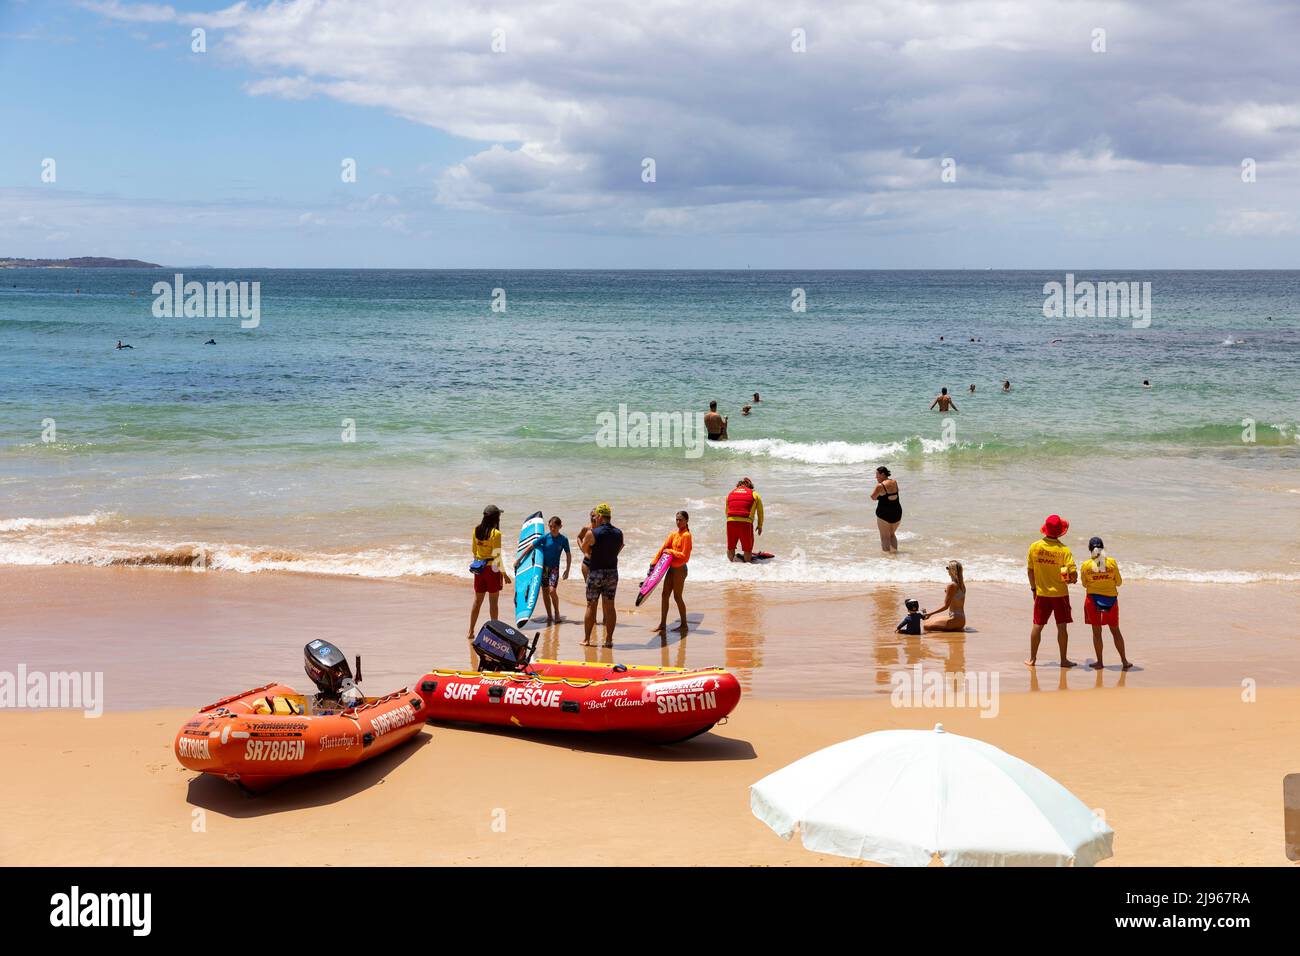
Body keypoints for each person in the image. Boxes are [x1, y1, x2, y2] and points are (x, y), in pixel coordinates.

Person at [1026, 514, 1077, 667]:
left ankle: (1032, 659)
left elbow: (1030, 571)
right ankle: (1063, 660)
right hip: (1060, 593)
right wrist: (1072, 579)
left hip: (1042, 593)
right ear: (1060, 531)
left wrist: (1034, 589)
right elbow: (1072, 574)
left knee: (1037, 625)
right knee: (1062, 627)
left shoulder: (1035, 546)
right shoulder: (1064, 550)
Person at [1081, 536, 1131, 669]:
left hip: (1092, 601)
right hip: (1111, 601)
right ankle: (1124, 661)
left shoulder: (1086, 565)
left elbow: (1085, 584)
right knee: (1115, 631)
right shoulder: (1112, 562)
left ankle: (1100, 662)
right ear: (1103, 548)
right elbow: (1119, 582)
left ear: (1089, 549)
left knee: (1097, 633)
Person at [582, 503, 623, 648]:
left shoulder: (593, 533)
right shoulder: (619, 533)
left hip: (596, 572)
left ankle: (587, 639)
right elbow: (619, 548)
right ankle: (609, 640)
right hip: (612, 572)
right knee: (610, 607)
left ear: (599, 516)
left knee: (591, 606)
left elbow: (584, 548)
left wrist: (593, 553)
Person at [469, 505, 511, 640]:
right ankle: (494, 632)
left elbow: (474, 551)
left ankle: (470, 631)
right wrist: (504, 574)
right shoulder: (496, 534)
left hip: (479, 569)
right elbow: (497, 556)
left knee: (477, 601)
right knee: (493, 603)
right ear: (496, 517)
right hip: (492, 569)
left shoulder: (476, 530)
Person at [521, 516, 570, 625]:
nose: (553, 529)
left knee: (552, 590)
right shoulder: (544, 537)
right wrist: (519, 560)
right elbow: (530, 547)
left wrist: (567, 569)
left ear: (560, 526)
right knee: (545, 592)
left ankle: (557, 612)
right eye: (551, 526)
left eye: (555, 527)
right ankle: (549, 616)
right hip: (543, 569)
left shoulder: (563, 540)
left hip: (554, 569)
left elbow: (568, 554)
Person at [652, 511, 693, 635]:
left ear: (686, 521)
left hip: (680, 569)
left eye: (680, 520)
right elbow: (663, 549)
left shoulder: (686, 535)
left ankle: (684, 625)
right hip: (671, 569)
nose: (678, 522)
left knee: (677, 597)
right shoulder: (674, 534)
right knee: (664, 595)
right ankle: (662, 624)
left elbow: (685, 557)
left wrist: (671, 552)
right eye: (676, 520)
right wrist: (654, 563)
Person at [725, 477, 763, 562]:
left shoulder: (730, 494)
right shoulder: (754, 494)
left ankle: (730, 565)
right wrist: (760, 525)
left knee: (730, 547)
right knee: (747, 549)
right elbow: (760, 512)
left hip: (730, 522)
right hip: (745, 523)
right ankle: (747, 568)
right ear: (750, 486)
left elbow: (726, 512)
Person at [922, 560, 967, 632]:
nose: (947, 570)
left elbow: (946, 606)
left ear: (952, 570)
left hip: (955, 620)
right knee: (929, 621)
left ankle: (953, 628)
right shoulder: (962, 585)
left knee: (926, 625)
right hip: (961, 619)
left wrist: (930, 613)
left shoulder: (952, 585)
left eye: (947, 568)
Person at [870, 466, 902, 552]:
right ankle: (895, 555)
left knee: (884, 537)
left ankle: (887, 560)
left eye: (877, 475)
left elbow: (873, 497)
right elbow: (896, 491)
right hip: (897, 513)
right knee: (892, 535)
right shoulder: (894, 482)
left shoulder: (880, 486)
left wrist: (880, 496)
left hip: (884, 514)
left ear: (883, 474)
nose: (876, 477)